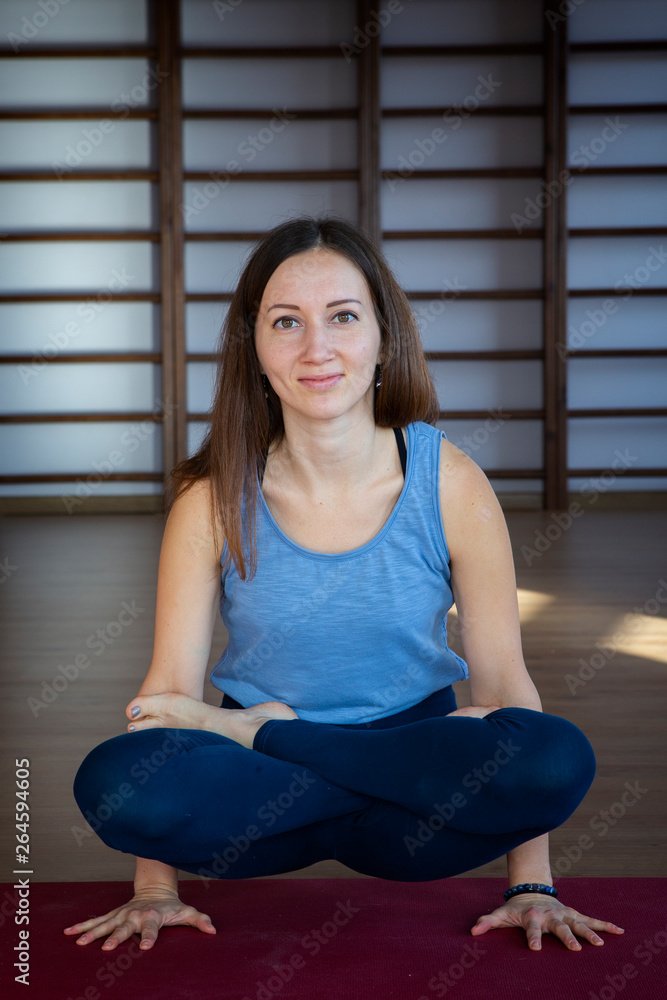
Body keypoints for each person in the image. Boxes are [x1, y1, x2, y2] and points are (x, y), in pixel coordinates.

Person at [65, 215, 623, 955]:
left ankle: (256, 727)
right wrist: (154, 888)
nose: (316, 348)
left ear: (383, 338)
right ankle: (262, 737)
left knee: (554, 757)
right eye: (286, 321)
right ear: (254, 347)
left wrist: (531, 882)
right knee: (116, 780)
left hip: (413, 795)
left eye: (343, 317)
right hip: (266, 795)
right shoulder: (211, 497)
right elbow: (166, 688)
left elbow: (504, 685)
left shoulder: (449, 481)